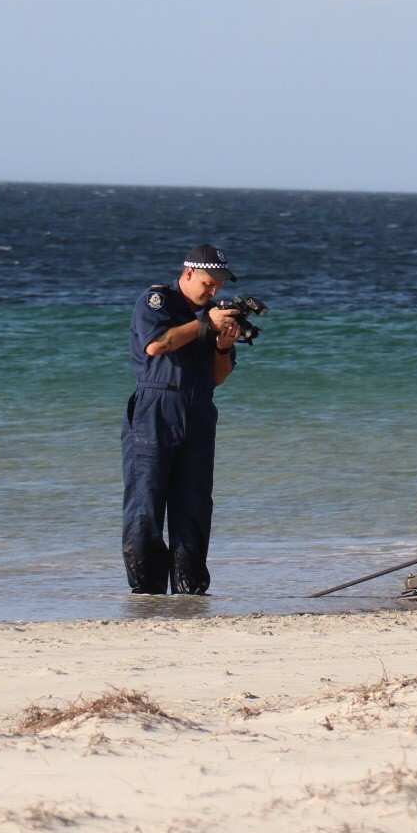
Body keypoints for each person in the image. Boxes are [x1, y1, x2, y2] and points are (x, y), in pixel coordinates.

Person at [121, 244, 242, 594]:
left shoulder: (214, 314)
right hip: (156, 406)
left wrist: (222, 346)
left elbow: (218, 376)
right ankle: (147, 590)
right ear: (188, 273)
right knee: (146, 500)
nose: (213, 291)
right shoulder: (157, 302)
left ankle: (191, 589)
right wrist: (205, 324)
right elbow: (156, 345)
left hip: (199, 408)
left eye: (218, 285)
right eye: (208, 283)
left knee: (195, 503)